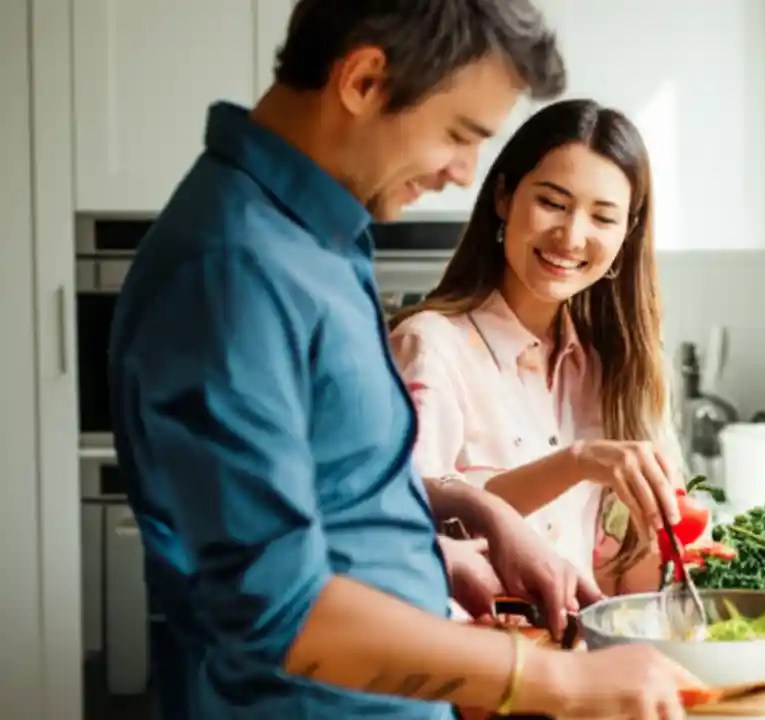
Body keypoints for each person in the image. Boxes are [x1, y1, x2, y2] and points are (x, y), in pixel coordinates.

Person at [107, 1, 702, 718]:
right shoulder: (234, 268)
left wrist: (447, 545)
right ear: (363, 81)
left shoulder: (320, 239)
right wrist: (561, 681)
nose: (464, 172)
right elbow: (272, 609)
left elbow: (336, 505)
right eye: (459, 134)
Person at [388, 98, 683, 599]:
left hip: (575, 645)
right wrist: (576, 461)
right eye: (552, 203)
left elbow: (608, 566)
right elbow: (412, 524)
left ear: (626, 234)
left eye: (603, 217)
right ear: (504, 197)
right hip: (466, 644)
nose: (572, 236)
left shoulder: (602, 368)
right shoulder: (430, 346)